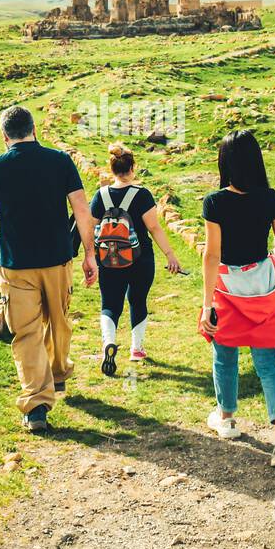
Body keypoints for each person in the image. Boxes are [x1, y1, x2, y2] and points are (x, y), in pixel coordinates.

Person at [0, 105, 96, 432]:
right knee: (59, 321)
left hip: (16, 264)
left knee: (26, 332)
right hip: (57, 259)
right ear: (35, 129)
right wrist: (89, 254)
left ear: (4, 137)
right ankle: (56, 376)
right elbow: (82, 210)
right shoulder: (60, 161)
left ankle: (37, 405)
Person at [198, 129, 275, 468]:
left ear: (224, 162)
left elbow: (212, 255)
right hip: (263, 285)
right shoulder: (270, 197)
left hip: (228, 287)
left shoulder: (215, 202)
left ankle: (226, 420)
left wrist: (206, 304)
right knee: (268, 365)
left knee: (224, 354)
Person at [90, 144, 181, 376]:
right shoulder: (142, 195)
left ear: (112, 169)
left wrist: (90, 257)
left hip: (108, 259)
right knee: (138, 300)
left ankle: (108, 342)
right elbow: (154, 228)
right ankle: (136, 349)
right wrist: (170, 254)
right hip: (140, 258)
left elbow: (90, 229)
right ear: (133, 167)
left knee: (109, 303)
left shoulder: (100, 196)